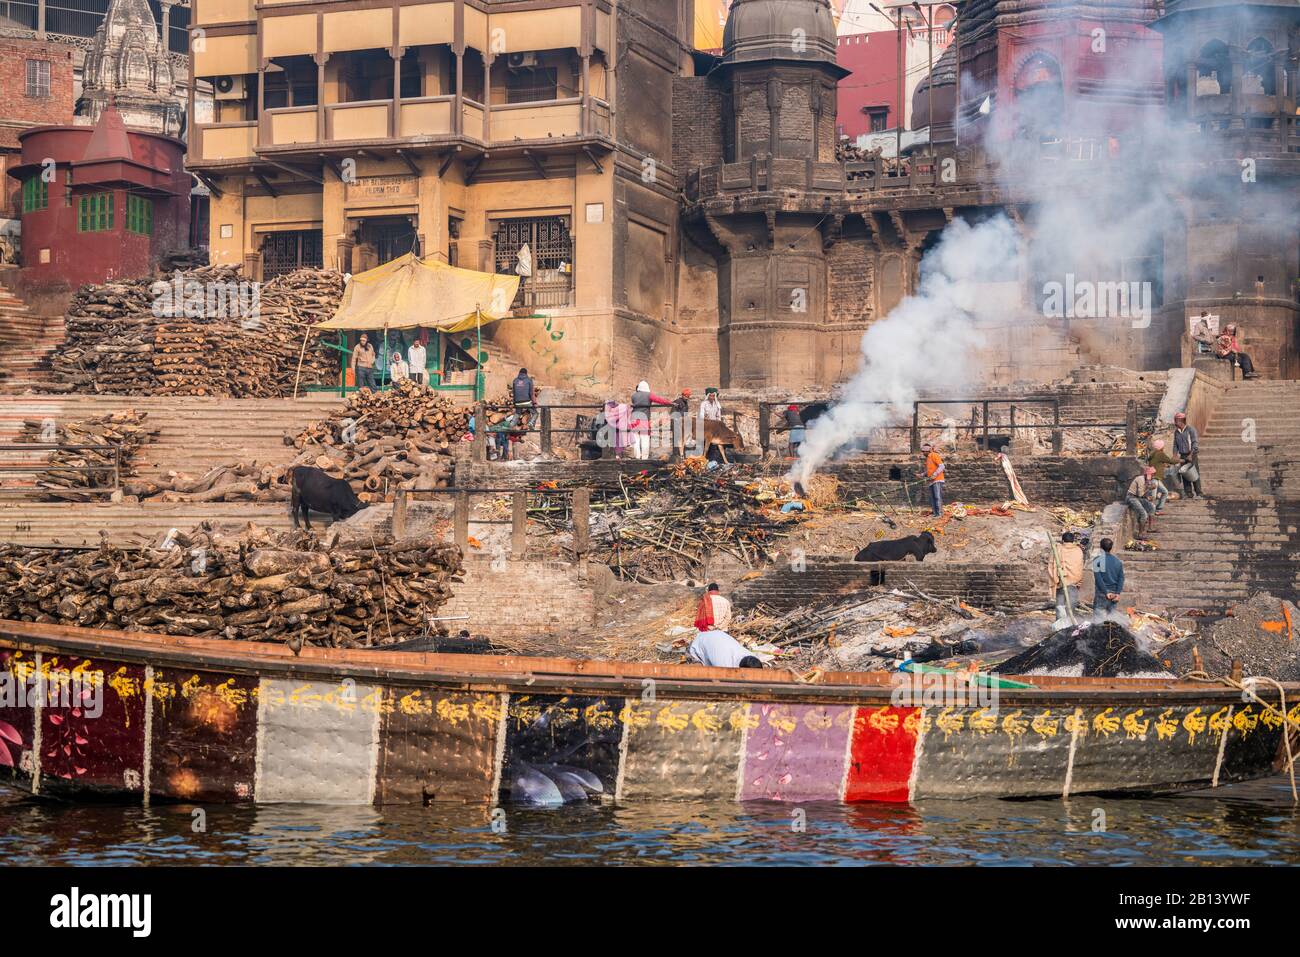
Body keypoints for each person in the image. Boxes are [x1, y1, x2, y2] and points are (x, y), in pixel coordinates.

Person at [1048, 531, 1085, 628]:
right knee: (1070, 610)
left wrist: (1056, 579)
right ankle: (1069, 630)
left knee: (1060, 609)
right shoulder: (1078, 550)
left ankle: (1059, 631)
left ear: (1062, 540)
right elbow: (1080, 568)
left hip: (1061, 583)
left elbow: (1051, 566)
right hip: (1073, 584)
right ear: (1073, 541)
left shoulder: (1057, 549)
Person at [630, 379, 671, 460]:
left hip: (634, 419)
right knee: (644, 438)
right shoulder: (648, 395)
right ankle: (644, 457)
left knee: (635, 439)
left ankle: (637, 456)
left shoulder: (633, 395)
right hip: (644, 419)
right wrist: (670, 403)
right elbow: (659, 400)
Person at [688, 629, 762, 669]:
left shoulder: (752, 658)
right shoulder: (723, 665)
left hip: (717, 635)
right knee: (699, 670)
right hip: (699, 643)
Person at [1091, 537, 1125, 622]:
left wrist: (1106, 592)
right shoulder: (1118, 562)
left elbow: (1099, 579)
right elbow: (1121, 578)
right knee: (1111, 622)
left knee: (1099, 623)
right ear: (1111, 548)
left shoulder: (1098, 560)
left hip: (1102, 594)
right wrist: (1117, 593)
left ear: (1100, 547)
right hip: (1114, 594)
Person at [1172, 412, 1203, 499]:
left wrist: (1191, 454)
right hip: (1183, 455)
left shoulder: (1191, 430)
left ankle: (1199, 493)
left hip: (1191, 454)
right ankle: (1189, 493)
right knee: (1184, 474)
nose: (1175, 422)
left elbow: (1195, 443)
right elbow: (1175, 445)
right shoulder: (1176, 432)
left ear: (1180, 421)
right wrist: (1174, 455)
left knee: (1194, 474)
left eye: (1176, 420)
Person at [1126, 466, 1158, 536]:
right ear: (1148, 474)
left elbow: (1145, 491)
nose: (1153, 477)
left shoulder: (1147, 480)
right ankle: (1140, 534)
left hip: (1138, 497)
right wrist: (1149, 490)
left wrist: (1151, 488)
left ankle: (1150, 528)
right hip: (1131, 497)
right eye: (1152, 475)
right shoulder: (1140, 479)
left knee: (1152, 507)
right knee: (1144, 514)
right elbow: (1141, 494)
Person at [921, 443, 945, 516]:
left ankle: (940, 513)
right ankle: (935, 513)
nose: (923, 453)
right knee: (933, 498)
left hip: (937, 480)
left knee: (937, 497)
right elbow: (930, 470)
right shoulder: (928, 458)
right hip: (931, 481)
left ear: (927, 451)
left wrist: (934, 475)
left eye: (923, 452)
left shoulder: (934, 455)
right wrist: (922, 474)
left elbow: (942, 466)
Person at [670, 388, 692, 459]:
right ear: (682, 395)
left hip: (683, 424)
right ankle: (675, 455)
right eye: (686, 396)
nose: (687, 397)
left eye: (688, 396)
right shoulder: (677, 402)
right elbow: (673, 413)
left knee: (682, 440)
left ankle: (681, 454)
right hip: (676, 423)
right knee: (676, 440)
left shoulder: (686, 403)